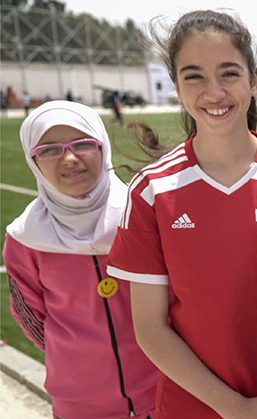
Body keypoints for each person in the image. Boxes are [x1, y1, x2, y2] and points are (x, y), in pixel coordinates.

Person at [106, 10, 257, 419]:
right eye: (194, 76)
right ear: (175, 86)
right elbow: (150, 329)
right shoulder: (151, 191)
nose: (214, 92)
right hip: (189, 407)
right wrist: (236, 410)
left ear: (255, 79)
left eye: (229, 73)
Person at [4, 100, 158, 419]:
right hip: (79, 406)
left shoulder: (143, 216)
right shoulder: (24, 239)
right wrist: (73, 360)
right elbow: (31, 317)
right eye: (50, 149)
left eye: (84, 144)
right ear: (33, 159)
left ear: (102, 147)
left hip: (162, 396)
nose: (70, 158)